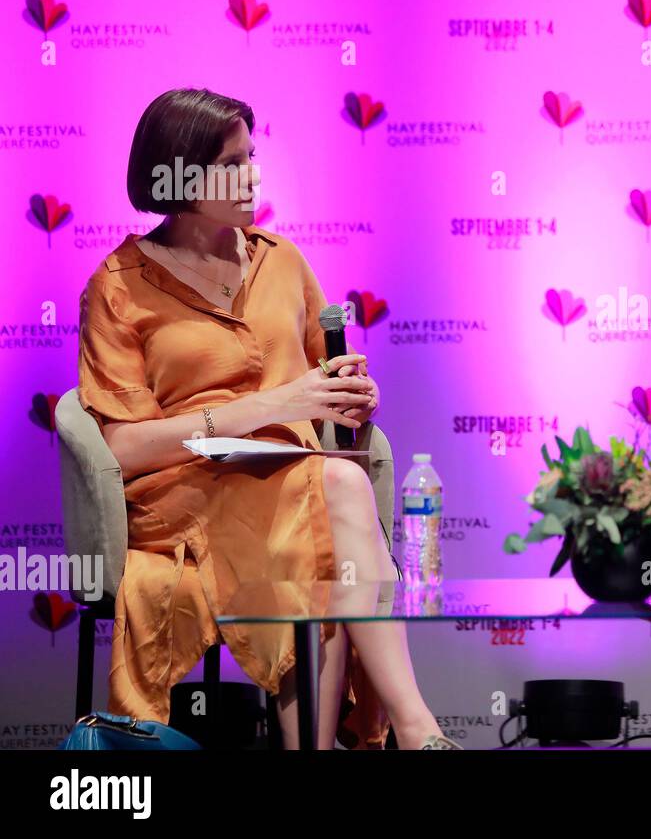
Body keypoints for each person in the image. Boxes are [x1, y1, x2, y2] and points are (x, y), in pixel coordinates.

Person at [77, 88, 460, 749]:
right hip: (187, 493)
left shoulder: (281, 261)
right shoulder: (117, 285)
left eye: (253, 156)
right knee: (335, 500)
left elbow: (328, 400)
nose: (253, 175)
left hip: (293, 481)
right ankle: (416, 728)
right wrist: (268, 407)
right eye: (232, 162)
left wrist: (353, 407)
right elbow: (124, 446)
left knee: (328, 510)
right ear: (179, 174)